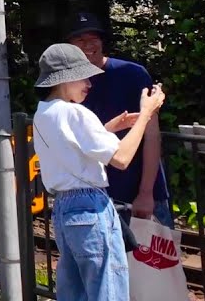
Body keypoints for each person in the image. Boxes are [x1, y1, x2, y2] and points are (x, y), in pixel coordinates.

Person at [34, 43, 166, 301]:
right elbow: (121, 158)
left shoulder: (44, 113)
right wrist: (145, 115)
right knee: (107, 291)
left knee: (75, 292)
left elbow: (72, 150)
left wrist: (108, 129)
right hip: (89, 206)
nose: (90, 84)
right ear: (66, 77)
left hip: (63, 209)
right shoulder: (76, 112)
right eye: (84, 77)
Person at [69, 12, 175, 229]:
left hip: (139, 190)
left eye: (94, 38)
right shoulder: (68, 84)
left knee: (155, 262)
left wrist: (146, 193)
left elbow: (152, 135)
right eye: (80, 40)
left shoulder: (133, 74)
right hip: (96, 197)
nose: (89, 45)